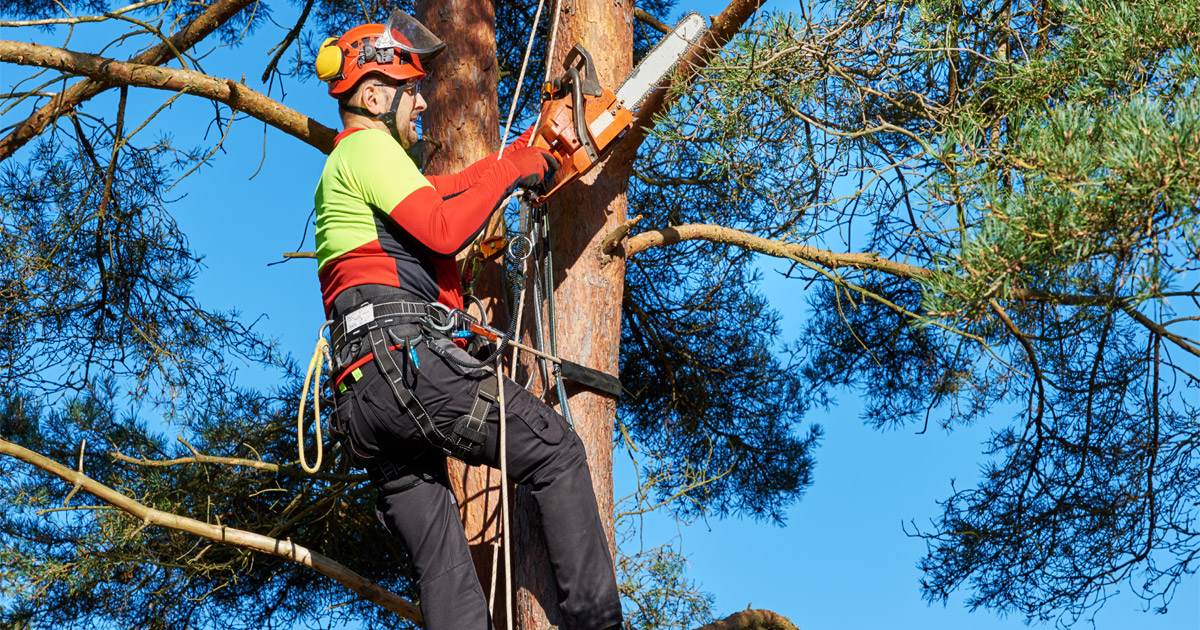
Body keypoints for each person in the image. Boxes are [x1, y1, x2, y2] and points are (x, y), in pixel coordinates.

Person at [311, 9, 624, 630]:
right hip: (404, 364)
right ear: (373, 97)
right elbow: (445, 227)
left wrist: (522, 157)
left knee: (443, 562)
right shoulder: (367, 148)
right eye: (411, 90)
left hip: (363, 400)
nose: (423, 102)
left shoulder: (352, 170)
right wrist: (511, 170)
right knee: (557, 452)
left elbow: (450, 191)